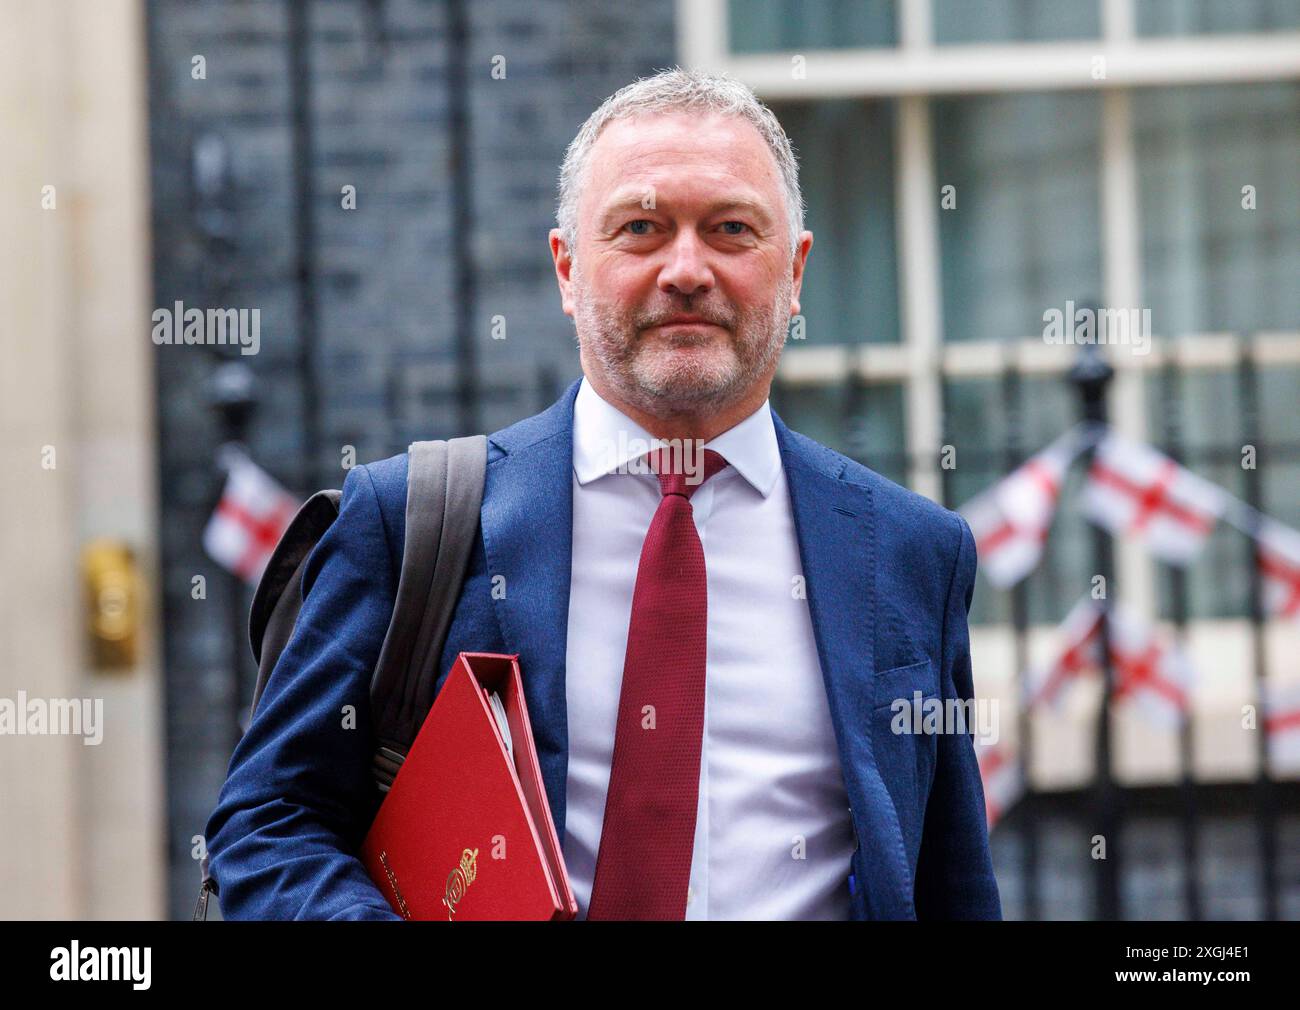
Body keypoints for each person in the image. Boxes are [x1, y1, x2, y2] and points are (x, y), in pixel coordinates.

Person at [204, 67, 1001, 921]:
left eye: (732, 229)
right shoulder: (409, 525)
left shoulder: (915, 553)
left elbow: (950, 882)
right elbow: (267, 824)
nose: (686, 269)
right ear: (566, 267)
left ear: (796, 271)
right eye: (641, 229)